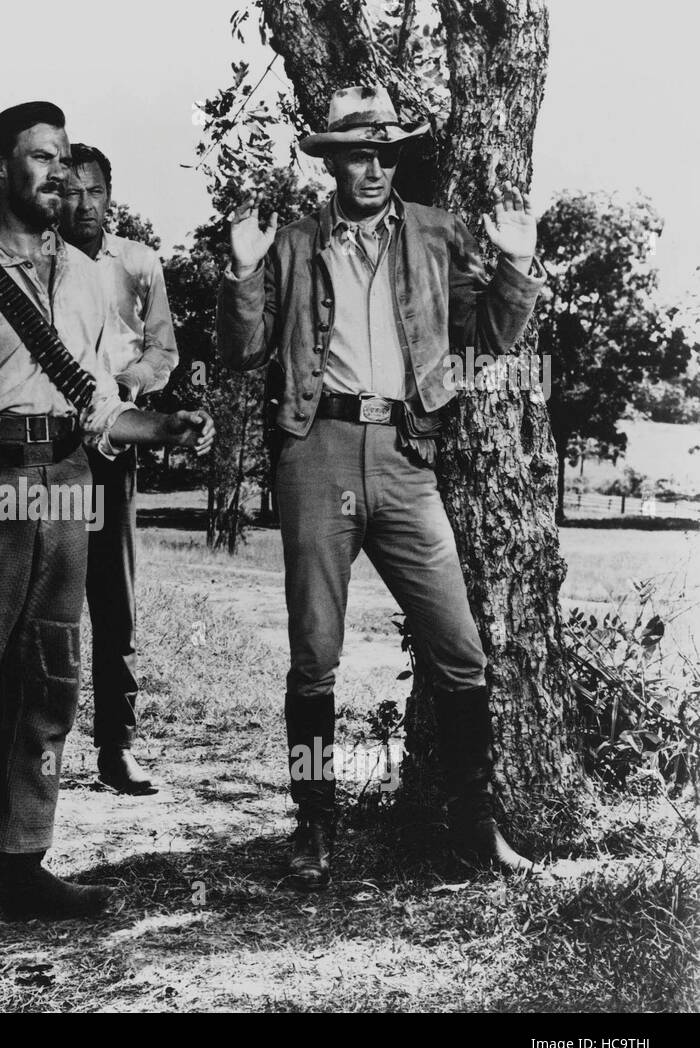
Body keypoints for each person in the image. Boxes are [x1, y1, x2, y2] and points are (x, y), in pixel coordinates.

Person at [0, 102, 214, 967]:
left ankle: (23, 865)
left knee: (49, 682)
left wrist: (168, 431)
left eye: (66, 156)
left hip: (70, 484)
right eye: (39, 157)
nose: (59, 172)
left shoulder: (89, 276)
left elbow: (102, 401)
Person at [217, 85, 544, 888]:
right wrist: (243, 272)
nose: (373, 168)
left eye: (387, 152)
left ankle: (477, 828)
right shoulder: (290, 243)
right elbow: (242, 350)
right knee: (313, 659)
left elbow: (492, 337)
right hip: (316, 451)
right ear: (331, 160)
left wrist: (516, 264)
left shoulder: (437, 234)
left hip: (406, 453)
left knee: (462, 652)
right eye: (358, 153)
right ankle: (313, 825)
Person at [59, 143, 178, 796]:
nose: (83, 204)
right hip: (49, 454)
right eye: (70, 190)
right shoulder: (36, 263)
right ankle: (25, 754)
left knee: (115, 603)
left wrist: (125, 385)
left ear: (112, 193)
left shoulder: (138, 263)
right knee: (40, 607)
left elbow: (163, 349)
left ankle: (118, 748)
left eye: (94, 190)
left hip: (114, 451)